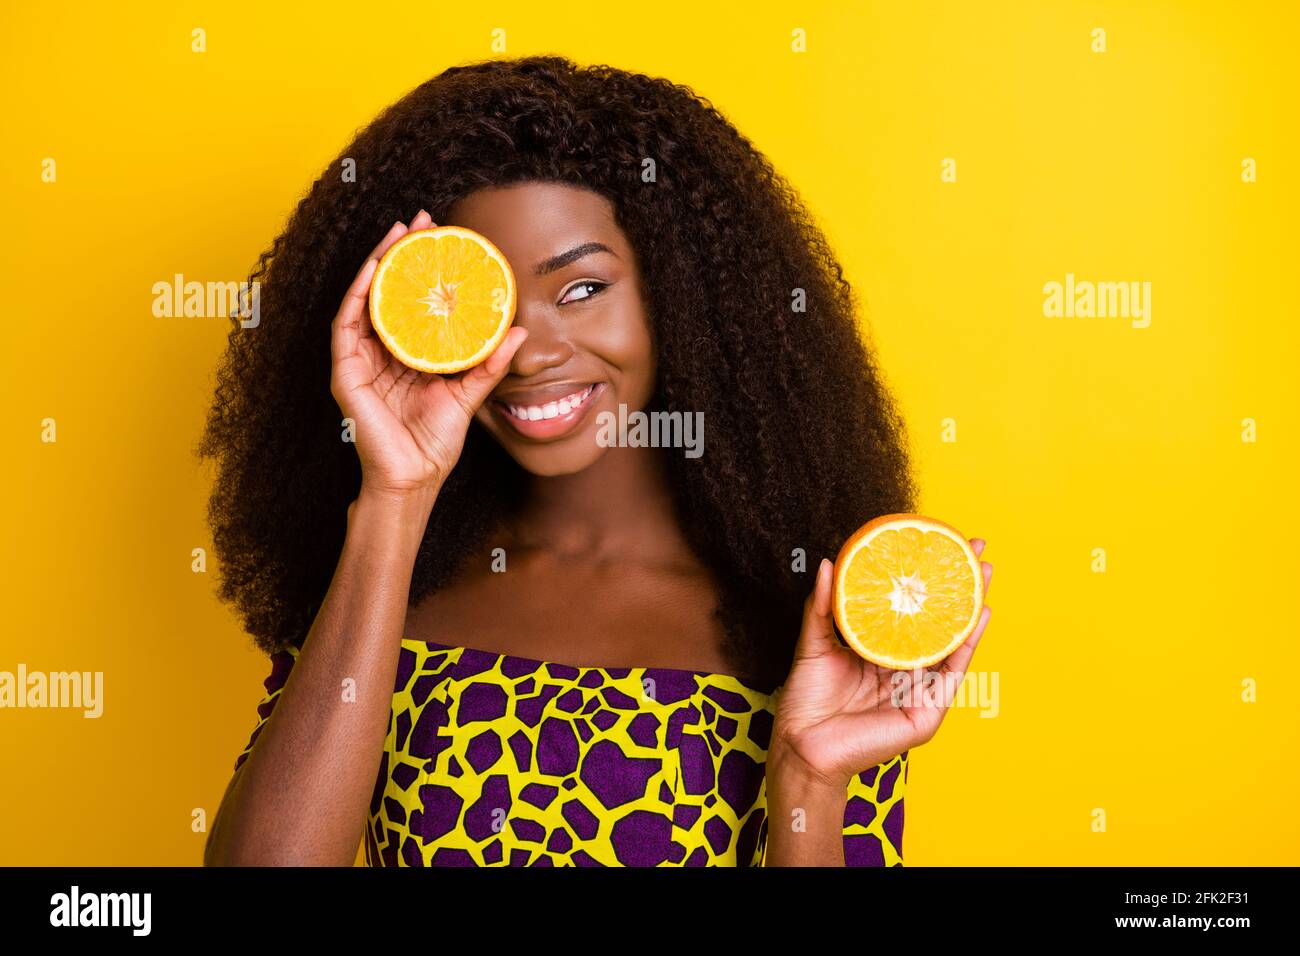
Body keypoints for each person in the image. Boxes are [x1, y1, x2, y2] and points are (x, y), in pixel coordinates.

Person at [200, 54, 992, 867]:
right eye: (491, 304)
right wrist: (395, 498)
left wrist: (809, 778)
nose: (528, 354)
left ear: (677, 293)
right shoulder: (385, 601)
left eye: (580, 289)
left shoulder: (815, 634)